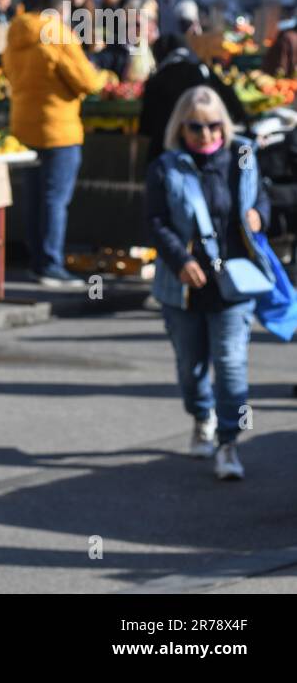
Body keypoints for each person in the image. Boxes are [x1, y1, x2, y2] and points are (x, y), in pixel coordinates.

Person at [146, 86, 270, 481]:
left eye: (214, 125)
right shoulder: (166, 166)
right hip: (183, 284)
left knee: (231, 363)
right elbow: (156, 221)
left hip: (232, 281)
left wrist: (258, 216)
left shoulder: (241, 157)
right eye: (195, 127)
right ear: (180, 127)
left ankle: (229, 441)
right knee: (190, 365)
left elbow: (261, 199)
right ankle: (202, 416)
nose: (205, 134)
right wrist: (180, 260)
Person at [1, 0, 104, 288]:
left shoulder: (15, 32)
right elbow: (86, 81)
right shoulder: (57, 33)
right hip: (58, 127)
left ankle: (37, 261)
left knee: (34, 198)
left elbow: (7, 72)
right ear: (57, 8)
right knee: (55, 200)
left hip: (23, 124)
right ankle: (51, 264)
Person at [139, 32, 245, 162]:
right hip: (204, 154)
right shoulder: (203, 71)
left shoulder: (155, 80)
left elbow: (146, 126)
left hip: (164, 152)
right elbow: (234, 106)